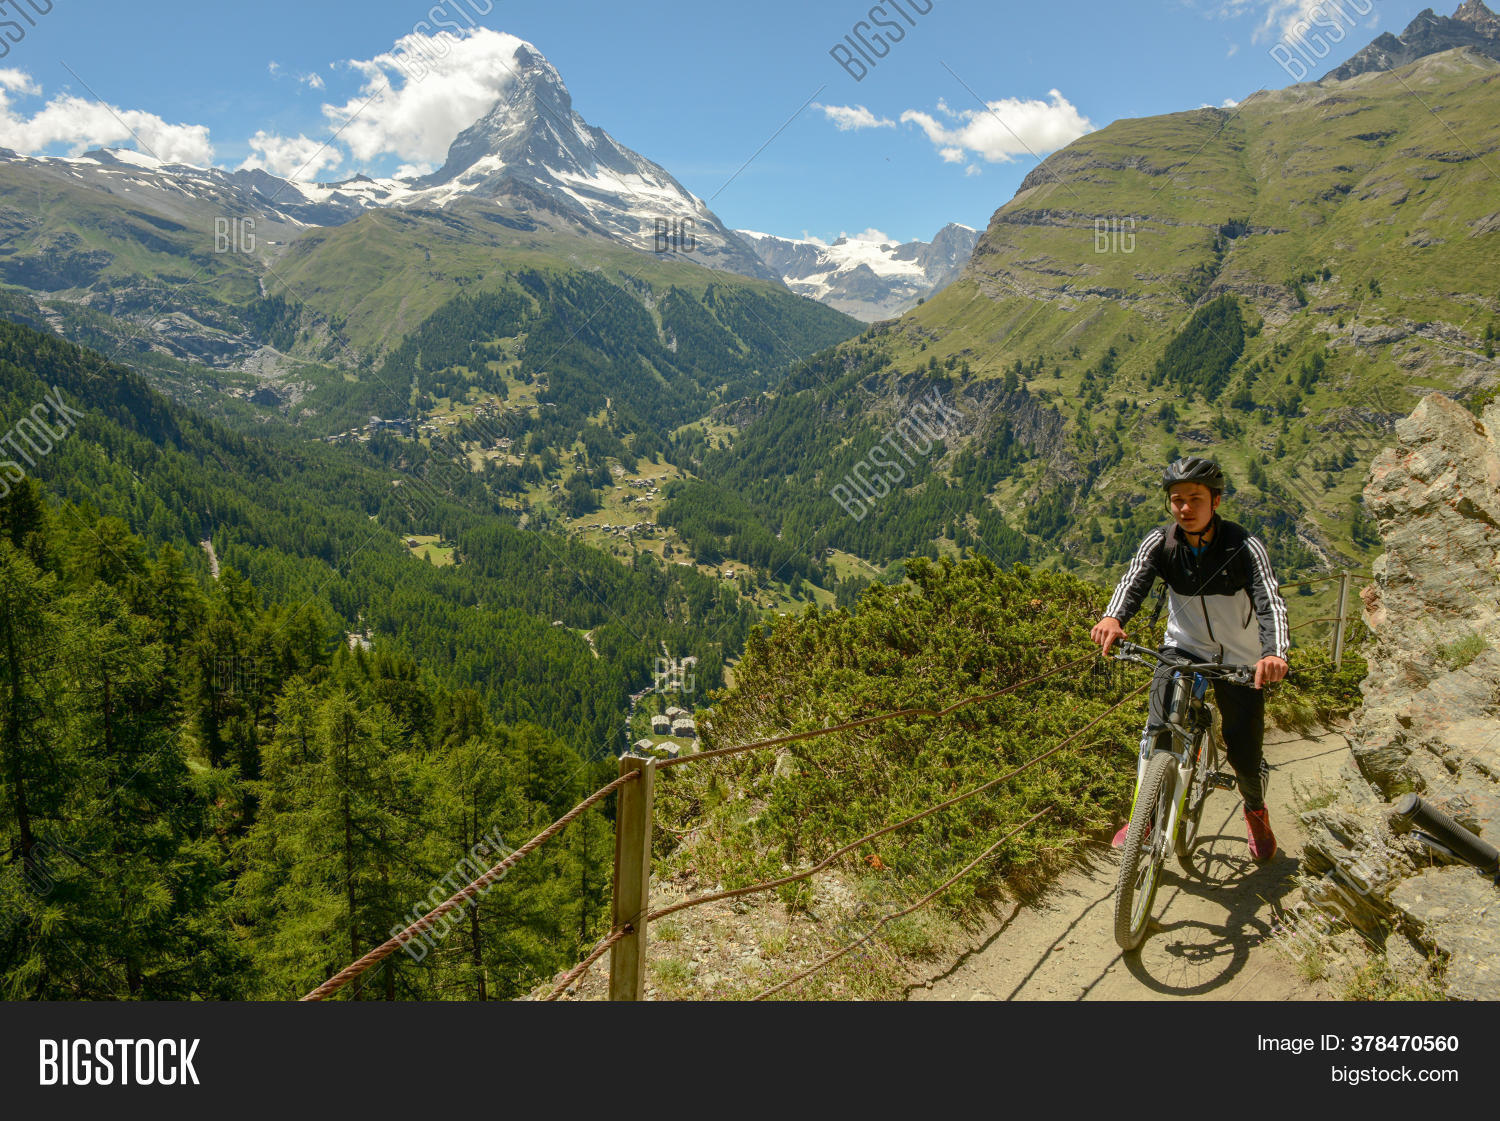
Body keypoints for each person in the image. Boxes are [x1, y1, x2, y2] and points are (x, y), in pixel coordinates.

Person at [1090, 457, 1290, 861]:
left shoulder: (1244, 546)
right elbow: (1134, 580)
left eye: (1195, 498)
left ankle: (1255, 811)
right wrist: (1113, 616)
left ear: (1215, 501)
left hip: (1240, 658)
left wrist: (1273, 654)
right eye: (1176, 500)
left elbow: (1270, 600)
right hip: (1183, 646)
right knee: (1158, 730)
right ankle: (1144, 815)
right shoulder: (1161, 542)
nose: (1184, 508)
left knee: (1244, 751)